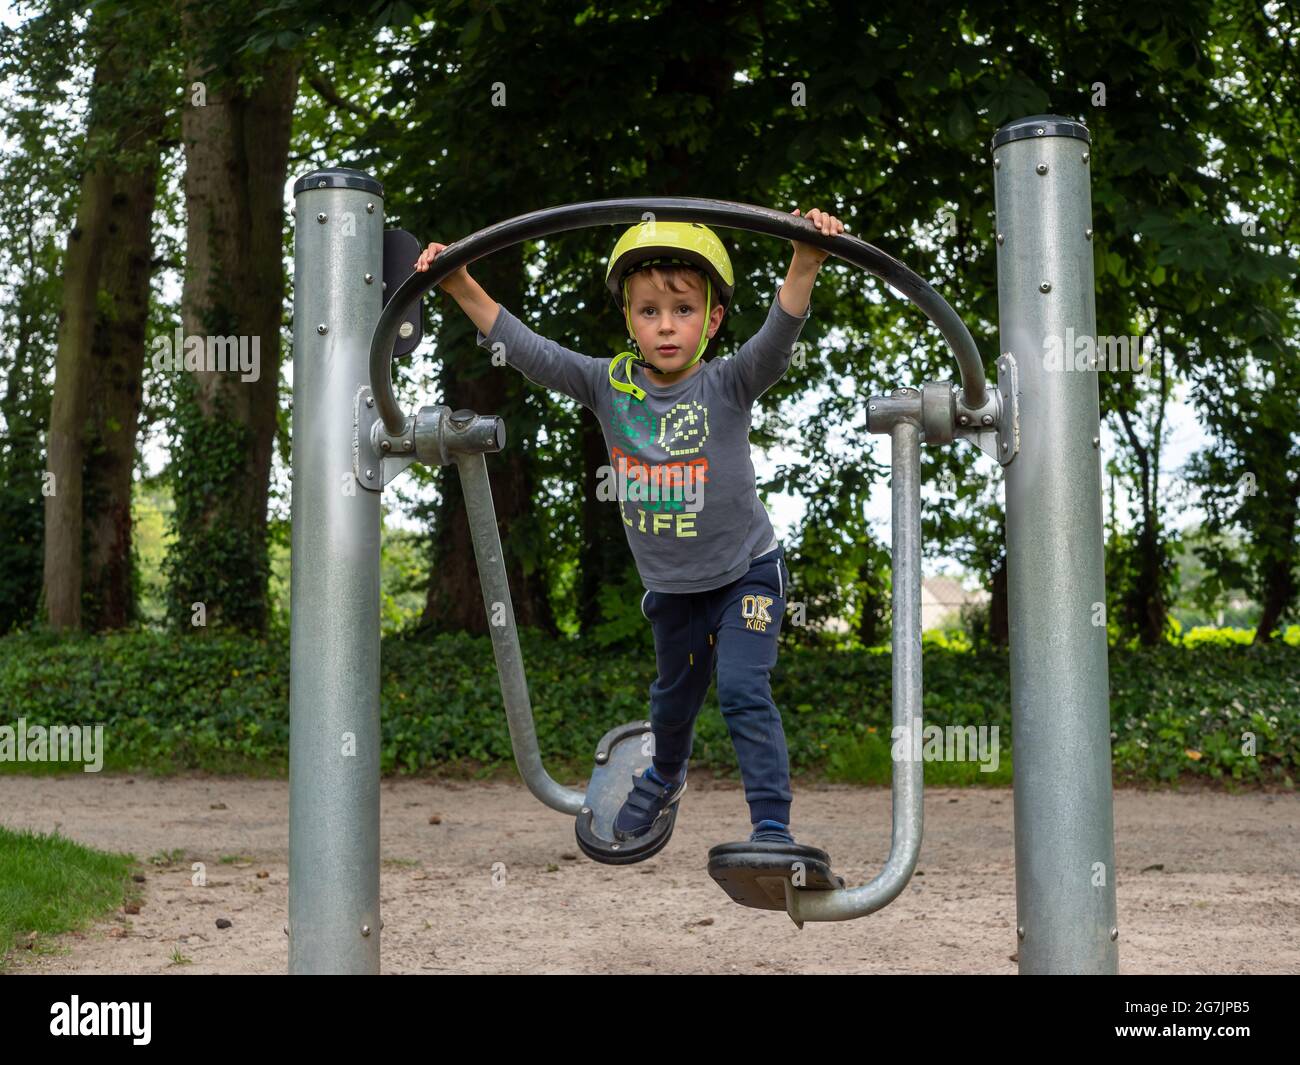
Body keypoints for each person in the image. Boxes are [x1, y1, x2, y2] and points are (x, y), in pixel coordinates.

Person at [414, 206, 844, 848]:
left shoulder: (730, 382)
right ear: (629, 320)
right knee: (672, 702)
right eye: (649, 311)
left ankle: (772, 828)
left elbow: (779, 336)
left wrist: (805, 260)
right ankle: (666, 776)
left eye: (683, 310)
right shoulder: (607, 385)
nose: (666, 326)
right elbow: (530, 351)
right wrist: (460, 285)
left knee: (742, 689)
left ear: (713, 319)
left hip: (747, 574)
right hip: (672, 590)